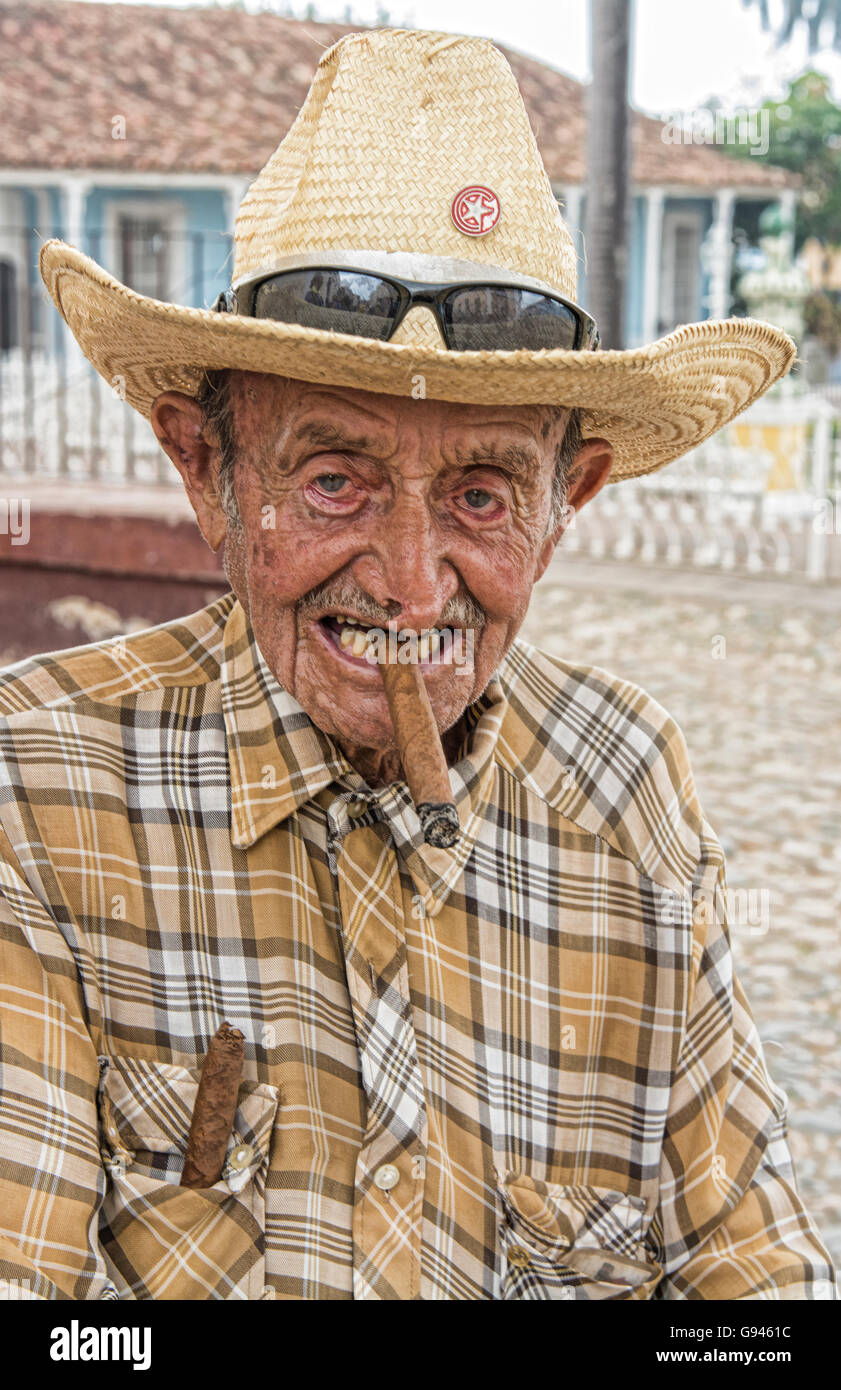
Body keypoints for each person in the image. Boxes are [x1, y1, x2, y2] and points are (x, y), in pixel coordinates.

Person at [1, 27, 834, 1301]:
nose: (408, 576)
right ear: (205, 472)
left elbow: (756, 1281)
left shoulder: (622, 790)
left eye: (483, 493)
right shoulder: (43, 789)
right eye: (333, 480)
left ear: (573, 498)